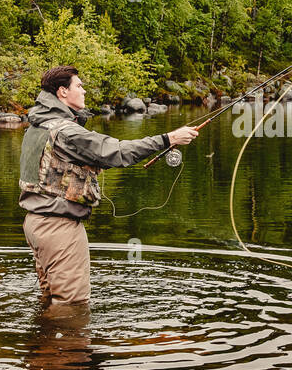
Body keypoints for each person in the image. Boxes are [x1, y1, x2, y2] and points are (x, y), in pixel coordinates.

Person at [19, 66, 198, 307]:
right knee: (72, 305)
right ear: (62, 92)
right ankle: (70, 345)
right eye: (79, 86)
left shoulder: (38, 126)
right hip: (58, 227)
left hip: (35, 223)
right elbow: (119, 151)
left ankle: (44, 344)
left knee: (50, 298)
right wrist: (169, 139)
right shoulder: (66, 131)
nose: (84, 91)